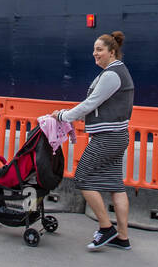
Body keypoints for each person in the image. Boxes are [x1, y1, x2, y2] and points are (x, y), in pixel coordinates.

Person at [55, 31, 134, 251]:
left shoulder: (111, 75)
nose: (95, 54)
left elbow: (90, 103)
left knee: (82, 177)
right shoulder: (117, 72)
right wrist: (69, 114)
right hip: (118, 135)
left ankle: (106, 227)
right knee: (116, 186)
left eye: (99, 49)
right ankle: (122, 237)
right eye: (94, 49)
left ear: (112, 51)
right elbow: (94, 105)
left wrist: (63, 116)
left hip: (107, 137)